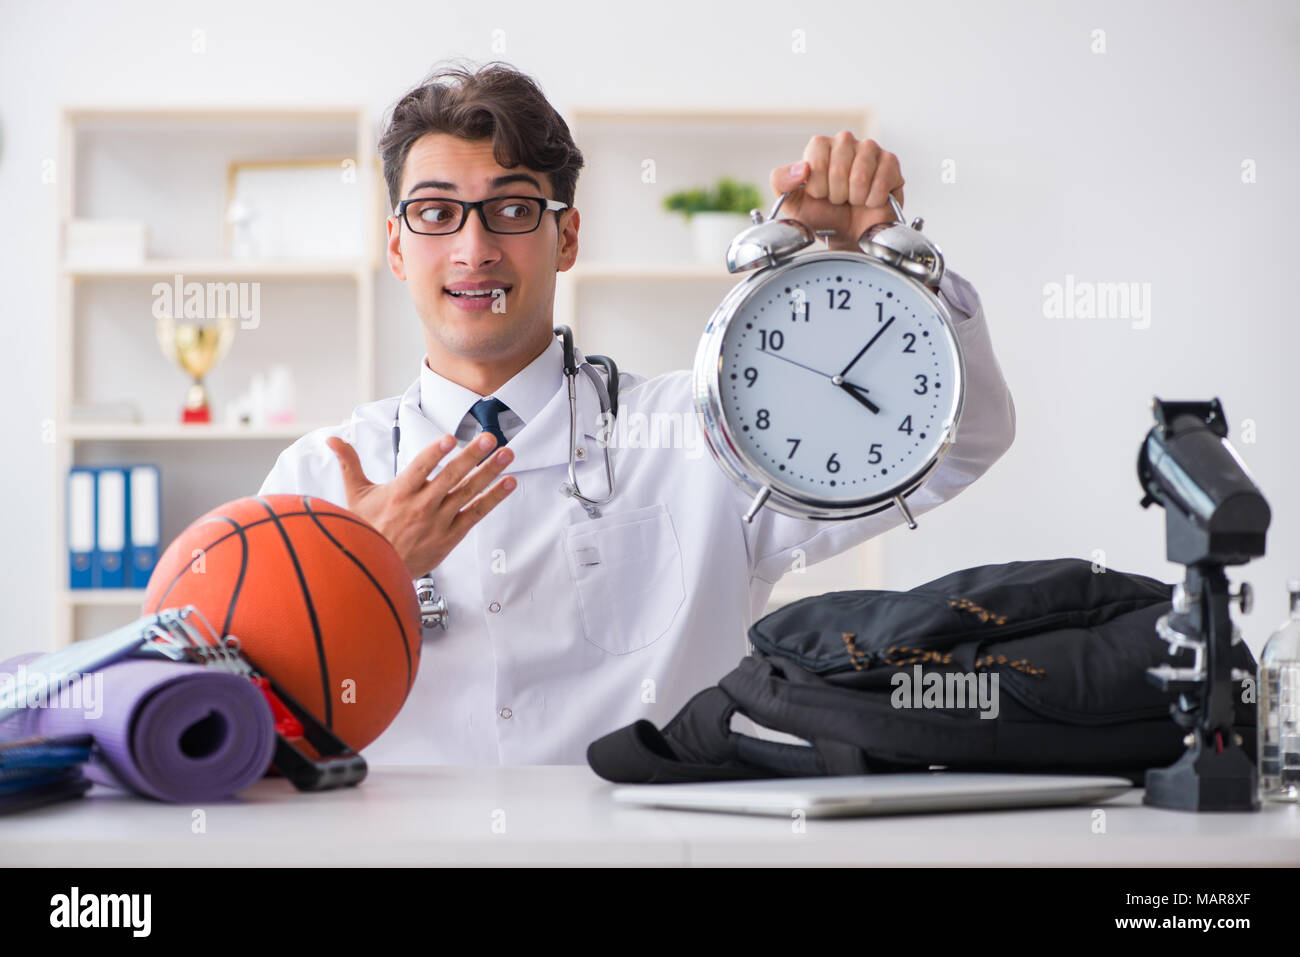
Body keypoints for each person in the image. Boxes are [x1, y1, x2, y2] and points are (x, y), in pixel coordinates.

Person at [257, 59, 1017, 765]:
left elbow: (965, 438)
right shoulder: (321, 474)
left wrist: (872, 260)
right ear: (395, 246)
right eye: (435, 213)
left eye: (514, 208)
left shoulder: (706, 432)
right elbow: (238, 691)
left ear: (567, 238)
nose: (474, 247)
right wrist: (360, 566)